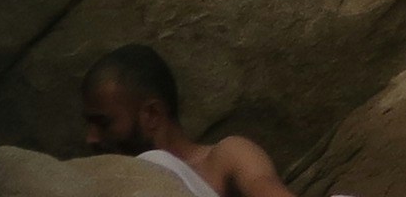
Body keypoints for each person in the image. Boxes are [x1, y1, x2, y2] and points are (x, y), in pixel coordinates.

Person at [74, 44, 297, 197]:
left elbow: (266, 189)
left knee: (156, 162)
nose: (91, 138)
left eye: (103, 123)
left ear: (151, 114)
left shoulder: (224, 157)